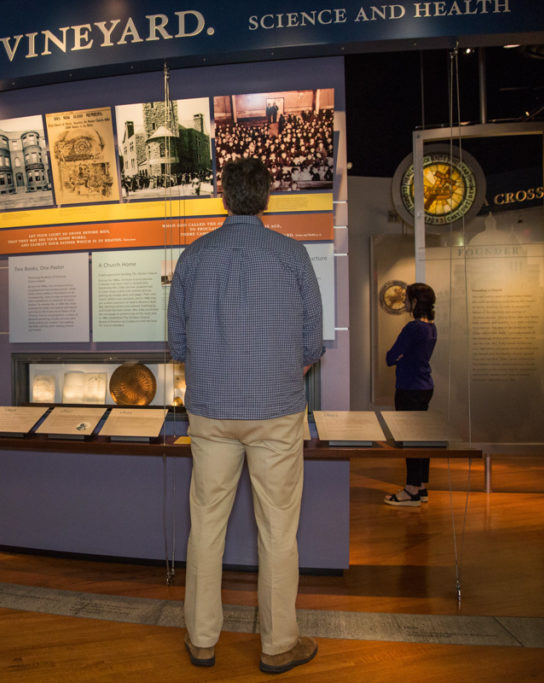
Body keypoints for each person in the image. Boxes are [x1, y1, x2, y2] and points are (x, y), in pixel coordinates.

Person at [167, 157, 323, 675]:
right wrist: (279, 375)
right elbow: (310, 346)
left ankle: (202, 639)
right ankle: (278, 645)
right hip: (277, 413)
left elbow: (177, 344)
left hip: (211, 415)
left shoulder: (193, 257)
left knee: (205, 526)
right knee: (279, 531)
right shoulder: (293, 255)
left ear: (223, 194)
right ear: (268, 197)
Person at [384, 282, 437, 506]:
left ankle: (411, 490)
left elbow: (390, 357)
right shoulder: (431, 327)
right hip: (424, 387)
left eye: (408, 298)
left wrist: (401, 358)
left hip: (409, 388)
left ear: (415, 302)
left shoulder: (413, 328)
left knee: (412, 442)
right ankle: (421, 486)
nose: (404, 302)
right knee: (422, 440)